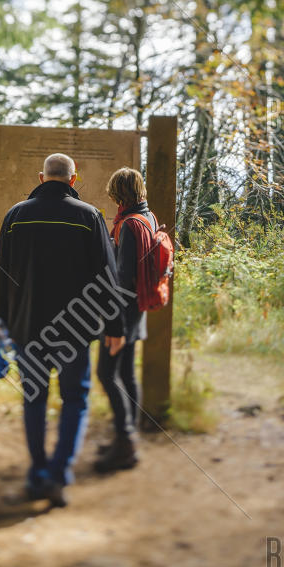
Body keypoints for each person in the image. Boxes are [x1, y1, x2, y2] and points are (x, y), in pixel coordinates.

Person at [0, 152, 122, 506]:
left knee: (33, 399)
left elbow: (0, 274)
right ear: (73, 179)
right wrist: (115, 326)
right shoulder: (89, 217)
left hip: (26, 327)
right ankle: (58, 476)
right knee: (75, 400)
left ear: (41, 177)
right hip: (74, 331)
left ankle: (37, 476)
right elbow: (107, 280)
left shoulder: (16, 216)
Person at [94, 166, 155, 473]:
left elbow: (121, 279)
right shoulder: (148, 217)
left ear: (119, 193)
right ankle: (125, 438)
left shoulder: (129, 226)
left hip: (122, 311)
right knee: (128, 375)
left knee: (106, 373)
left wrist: (111, 319)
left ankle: (126, 441)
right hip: (138, 308)